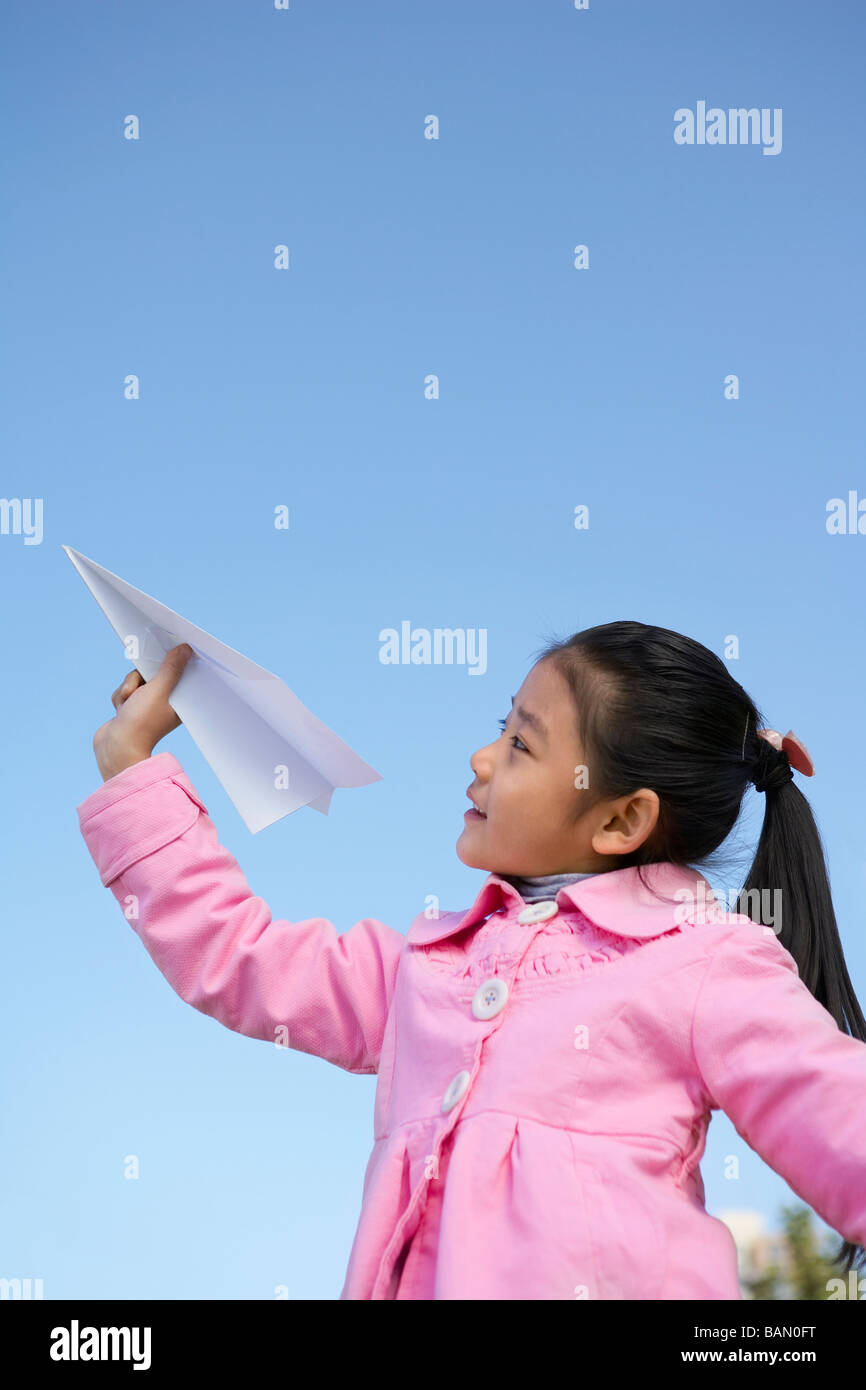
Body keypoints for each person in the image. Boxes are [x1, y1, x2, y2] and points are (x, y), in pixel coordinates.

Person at [75, 620, 866, 1299]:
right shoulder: (428, 969)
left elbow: (842, 1121)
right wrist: (133, 768)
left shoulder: (706, 961)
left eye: (521, 743)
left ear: (623, 818)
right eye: (502, 727)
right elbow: (242, 958)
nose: (483, 758)